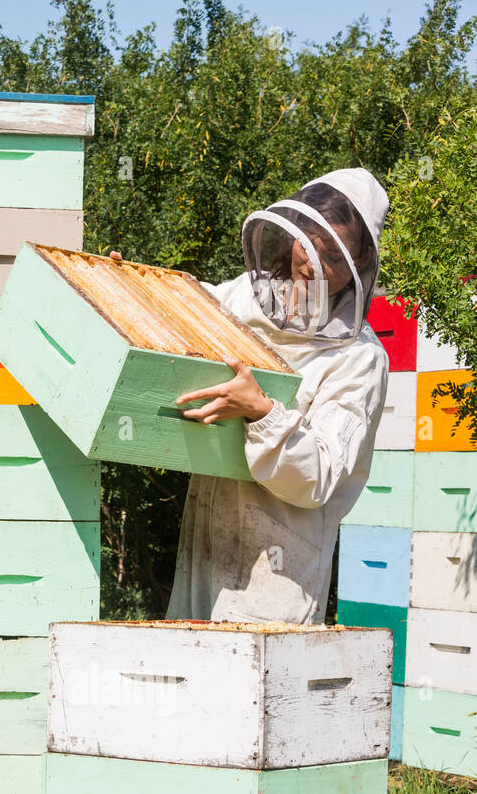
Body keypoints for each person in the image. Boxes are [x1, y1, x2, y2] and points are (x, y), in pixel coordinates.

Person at [146, 168, 390, 624]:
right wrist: (137, 288)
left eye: (333, 256)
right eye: (308, 242)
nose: (311, 263)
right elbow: (183, 314)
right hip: (205, 548)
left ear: (359, 267)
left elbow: (319, 475)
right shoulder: (245, 297)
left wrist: (262, 413)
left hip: (278, 578)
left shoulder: (359, 359)